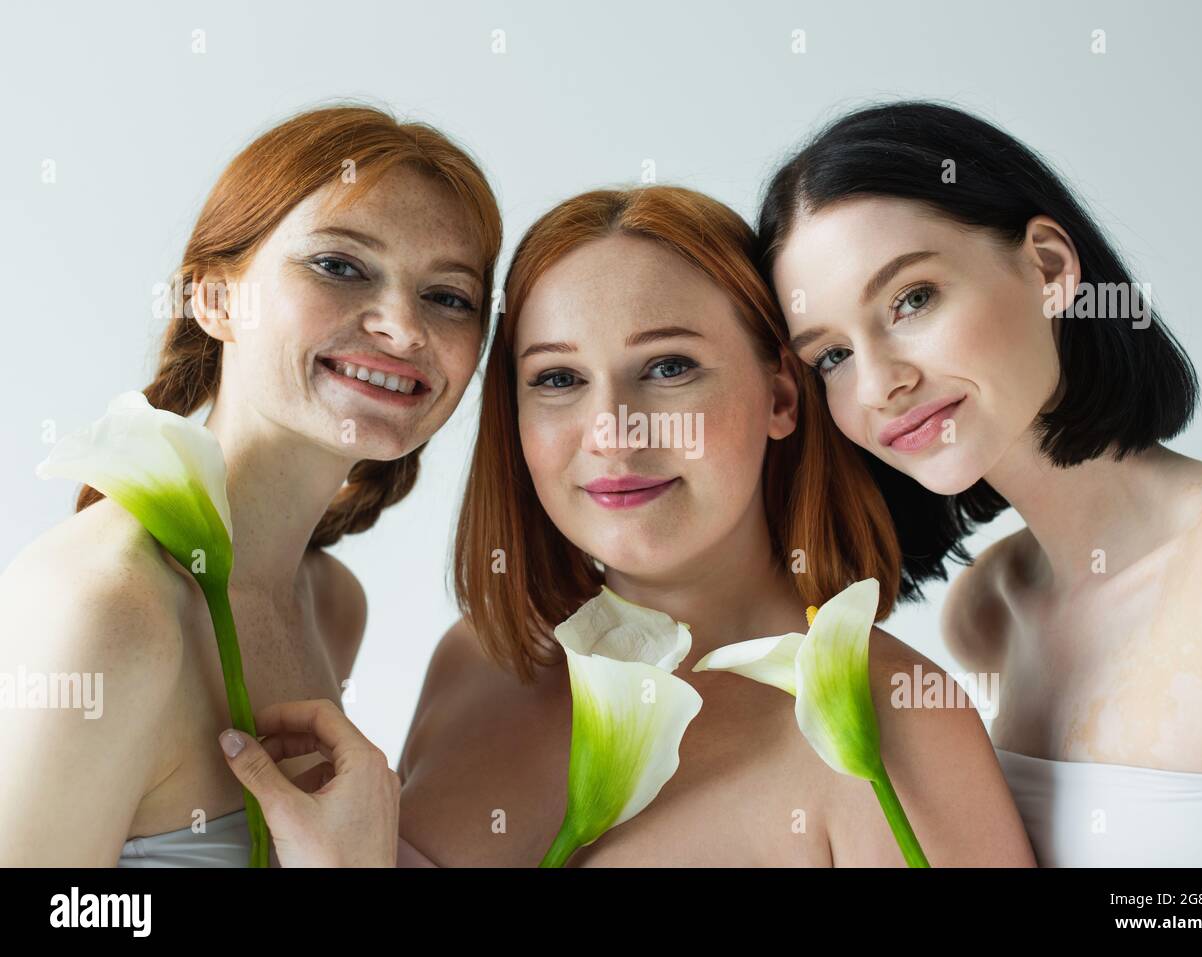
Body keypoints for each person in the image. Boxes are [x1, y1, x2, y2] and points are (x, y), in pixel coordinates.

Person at [396, 184, 1035, 866]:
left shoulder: (902, 724)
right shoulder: (475, 659)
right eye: (557, 378)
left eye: (670, 367)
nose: (613, 434)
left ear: (781, 395)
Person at [757, 101, 1202, 865]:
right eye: (832, 356)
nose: (881, 382)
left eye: (911, 299)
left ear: (1049, 266)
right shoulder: (988, 610)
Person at [0, 104, 502, 867]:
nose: (403, 327)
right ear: (215, 298)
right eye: (340, 265)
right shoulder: (107, 611)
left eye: (449, 297)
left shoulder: (331, 603)